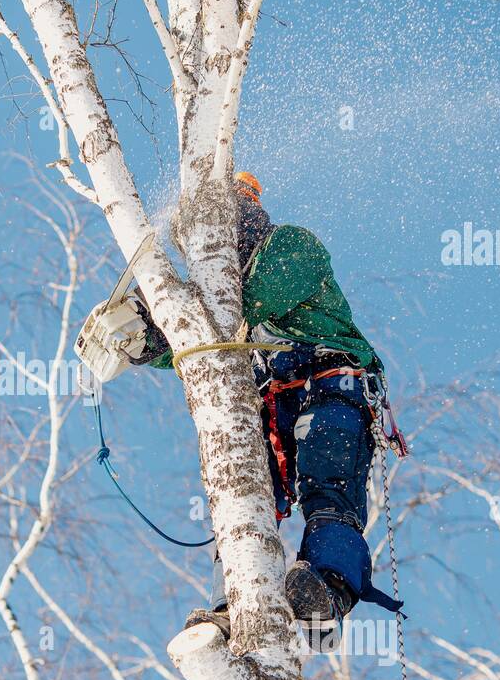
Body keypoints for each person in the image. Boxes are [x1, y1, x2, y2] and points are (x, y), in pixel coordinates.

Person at [131, 172, 405, 647]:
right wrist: (150, 337)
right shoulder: (222, 302)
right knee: (243, 504)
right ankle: (235, 603)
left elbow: (263, 295)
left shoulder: (290, 245)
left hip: (328, 380)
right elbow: (201, 350)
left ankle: (327, 591)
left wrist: (188, 312)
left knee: (329, 484)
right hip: (267, 405)